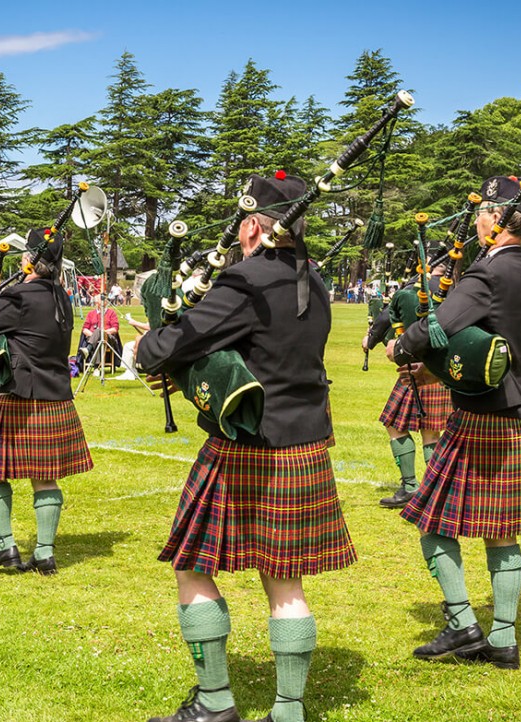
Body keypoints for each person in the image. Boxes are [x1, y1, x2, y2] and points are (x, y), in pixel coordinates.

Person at [138, 173, 354, 722]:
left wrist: (150, 346)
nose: (236, 232)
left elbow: (178, 341)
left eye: (242, 222)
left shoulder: (246, 281)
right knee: (285, 580)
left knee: (192, 566)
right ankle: (288, 711)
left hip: (246, 445)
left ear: (256, 224)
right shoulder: (317, 281)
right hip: (304, 443)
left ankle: (215, 702)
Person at [392, 176, 521, 671]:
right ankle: (502, 639)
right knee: (503, 530)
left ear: (499, 221)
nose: (478, 219)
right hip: (520, 411)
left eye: (484, 212)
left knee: (433, 524)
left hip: (481, 416)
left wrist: (404, 344)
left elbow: (442, 323)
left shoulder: (486, 275)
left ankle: (463, 624)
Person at [0, 229, 93, 575]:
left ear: (28, 261)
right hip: (58, 396)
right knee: (45, 477)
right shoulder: (63, 297)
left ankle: (6, 546)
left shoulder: (19, 297)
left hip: (20, 397)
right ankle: (44, 553)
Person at [365, 256, 453, 510]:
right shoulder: (455, 292)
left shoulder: (409, 293)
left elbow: (386, 319)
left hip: (413, 370)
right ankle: (437, 491)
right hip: (440, 371)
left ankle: (411, 486)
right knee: (431, 432)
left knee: (394, 425)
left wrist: (371, 339)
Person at [77, 294, 122, 371]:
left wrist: (102, 333)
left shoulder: (111, 313)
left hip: (108, 337)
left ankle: (88, 350)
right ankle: (96, 369)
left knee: (98, 331)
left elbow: (115, 328)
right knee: (97, 338)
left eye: (103, 301)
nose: (102, 303)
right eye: (99, 302)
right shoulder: (91, 314)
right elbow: (85, 329)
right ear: (96, 303)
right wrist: (94, 335)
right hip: (91, 337)